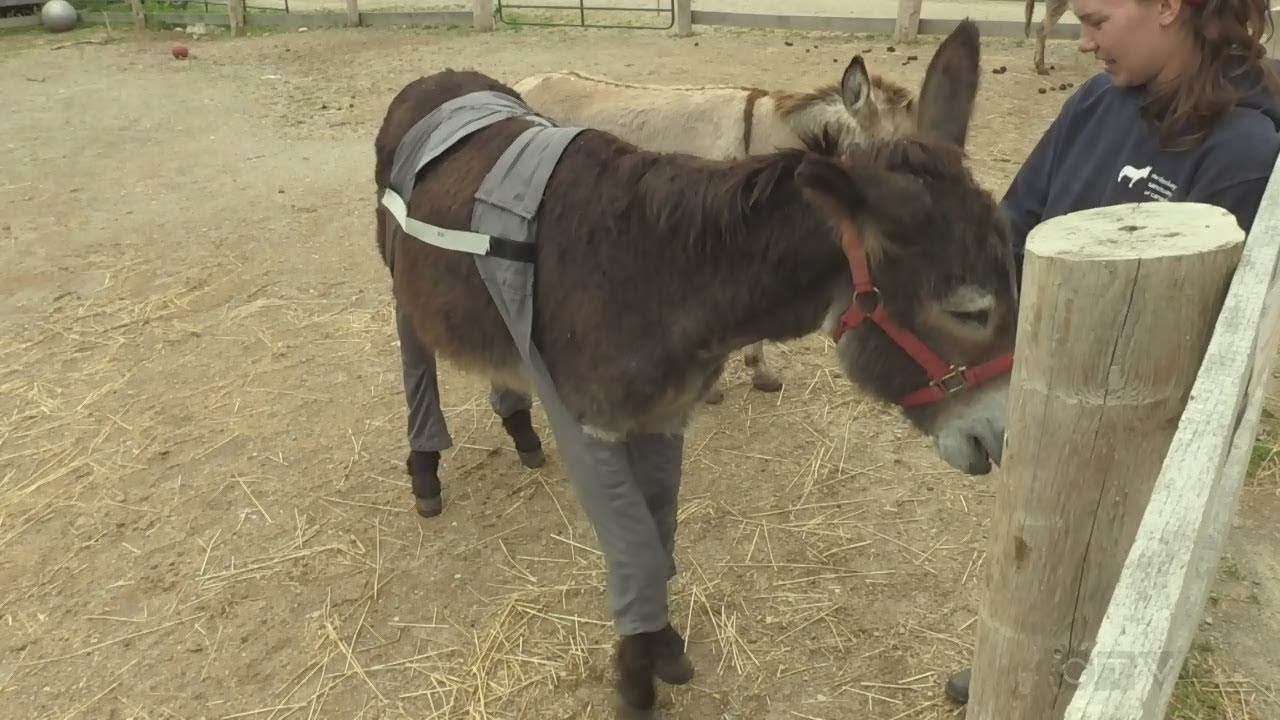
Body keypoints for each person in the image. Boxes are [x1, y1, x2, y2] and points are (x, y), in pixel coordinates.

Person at [945, 0, 1280, 705]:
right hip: (1046, 395)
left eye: (1096, 19)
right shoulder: (1098, 100)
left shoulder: (1244, 152)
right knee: (1035, 548)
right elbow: (1013, 228)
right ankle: (1022, 664)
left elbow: (1201, 337)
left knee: (1103, 568)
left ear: (1167, 7)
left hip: (1131, 430)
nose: (1083, 41)